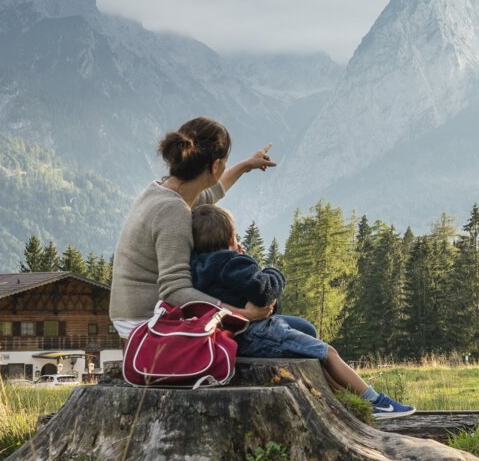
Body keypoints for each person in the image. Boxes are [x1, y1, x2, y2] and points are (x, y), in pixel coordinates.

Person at [189, 204, 416, 419]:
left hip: (233, 334)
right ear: (232, 238)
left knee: (308, 338)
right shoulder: (233, 263)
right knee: (327, 353)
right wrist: (269, 270)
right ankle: (377, 402)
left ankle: (346, 397)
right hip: (257, 333)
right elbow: (263, 292)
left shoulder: (197, 265)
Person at [110, 116, 285, 340]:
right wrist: (241, 315)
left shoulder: (162, 191)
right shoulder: (173, 211)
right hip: (147, 321)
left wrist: (246, 165)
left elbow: (212, 193)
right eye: (225, 163)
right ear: (215, 166)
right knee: (294, 331)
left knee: (287, 328)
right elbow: (175, 290)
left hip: (132, 313)